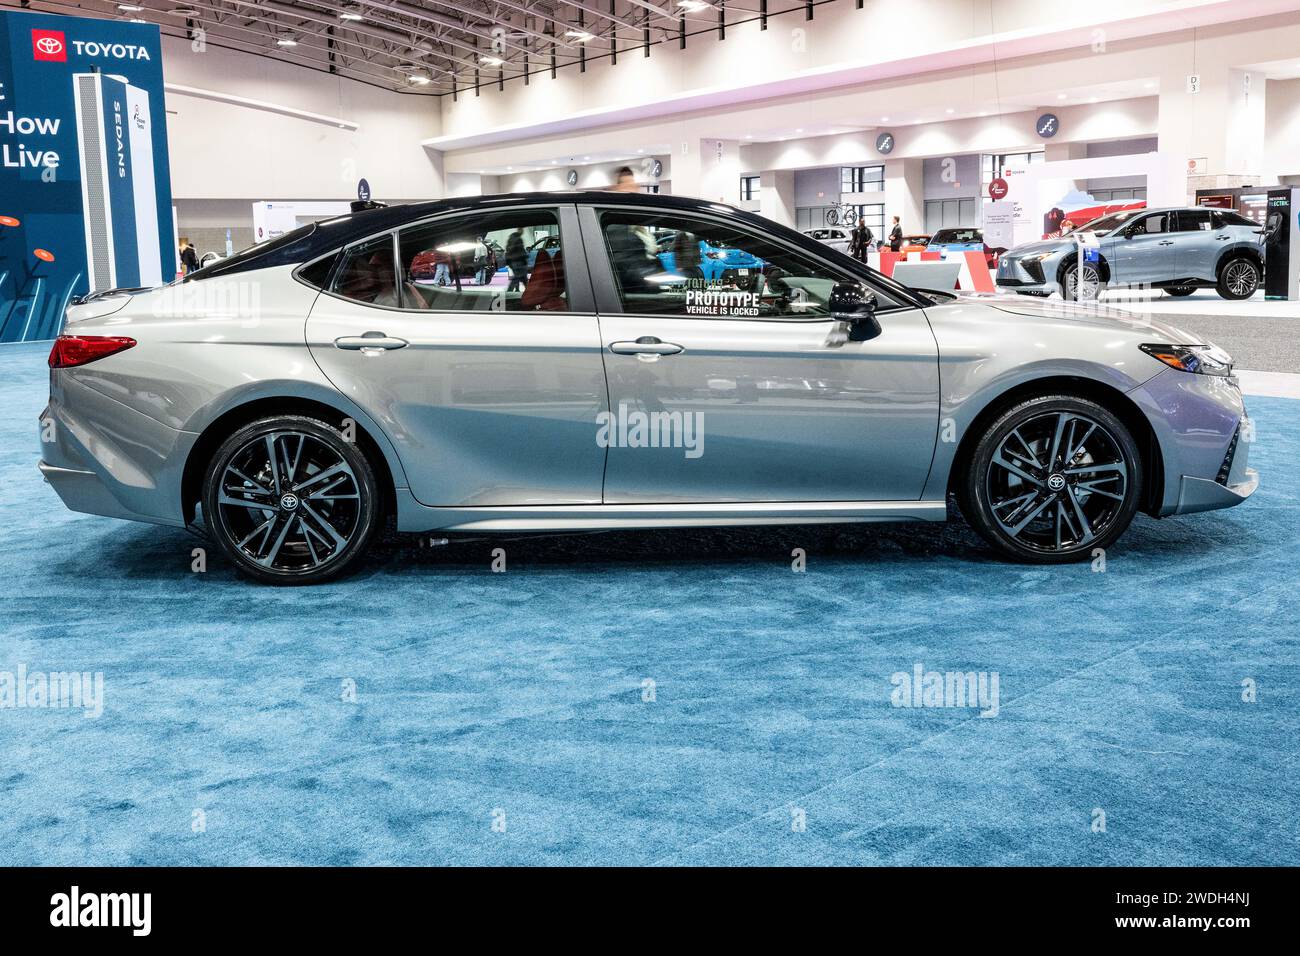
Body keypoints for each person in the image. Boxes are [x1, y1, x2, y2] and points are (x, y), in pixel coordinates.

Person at [505, 227, 528, 293]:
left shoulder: (511, 238)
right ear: (519, 230)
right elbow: (520, 251)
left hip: (513, 261)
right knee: (519, 276)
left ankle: (527, 290)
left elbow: (508, 250)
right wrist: (524, 258)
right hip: (518, 261)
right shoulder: (518, 239)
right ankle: (509, 291)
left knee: (522, 277)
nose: (523, 231)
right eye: (522, 230)